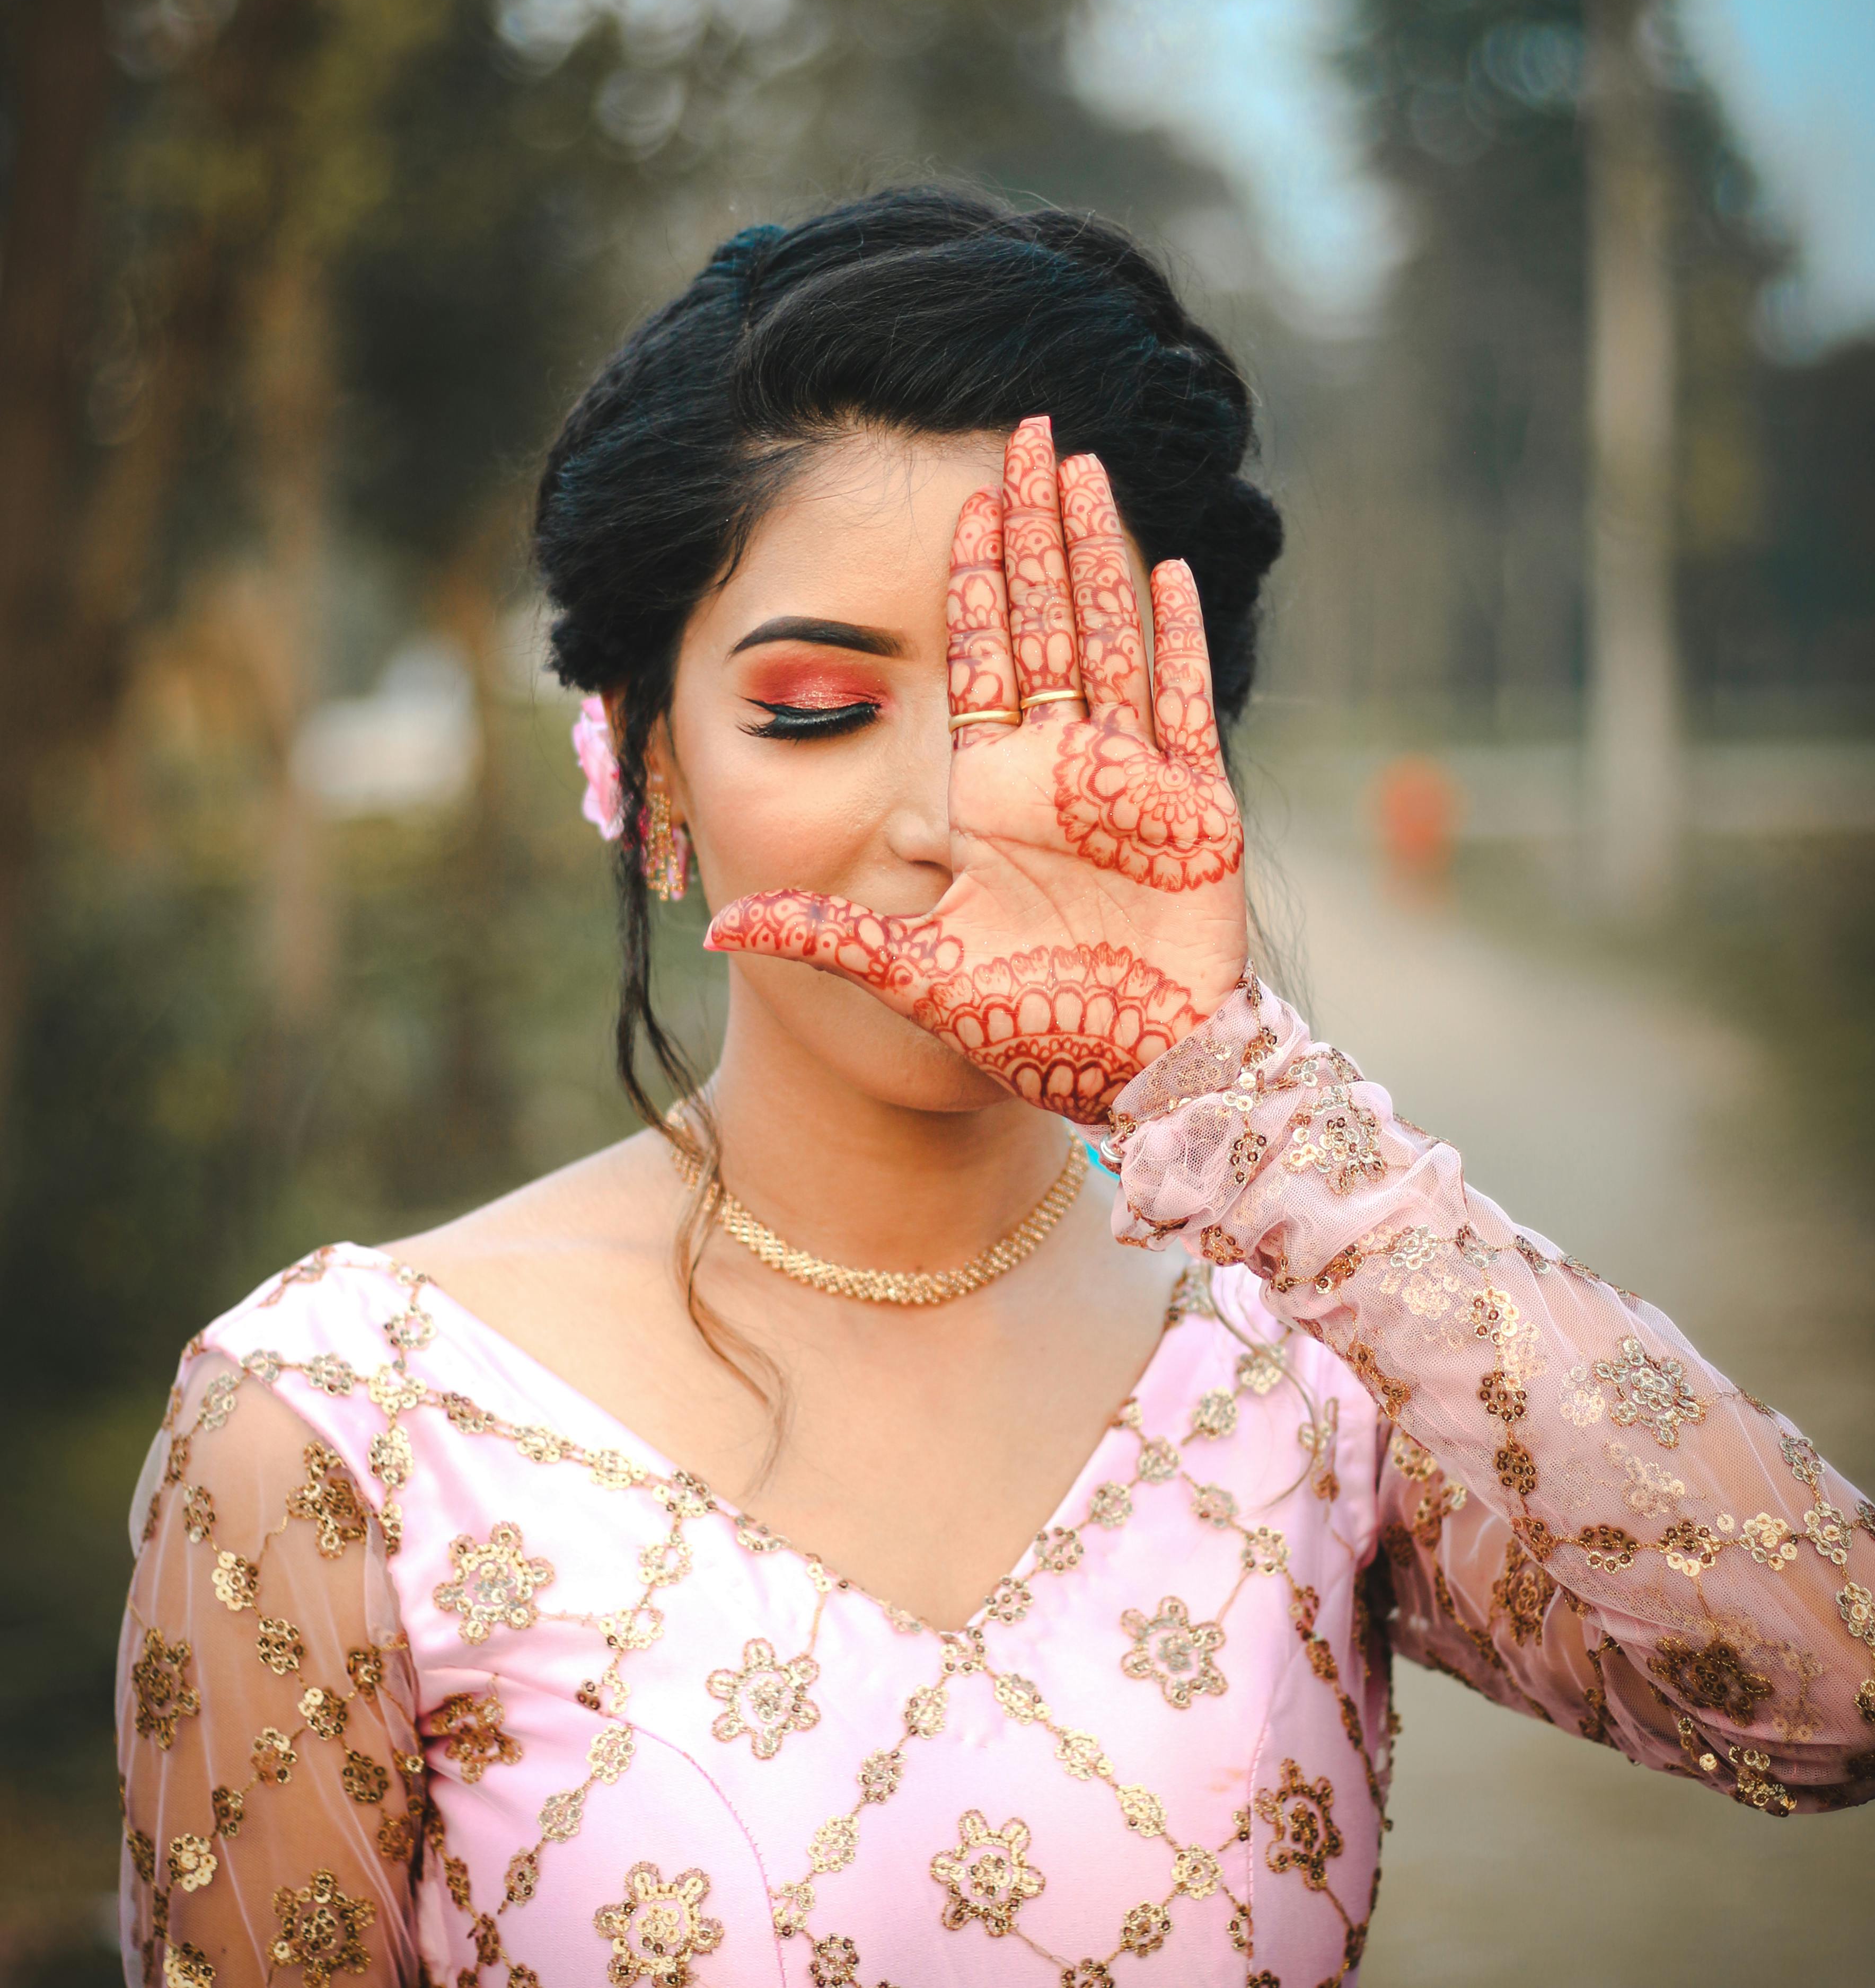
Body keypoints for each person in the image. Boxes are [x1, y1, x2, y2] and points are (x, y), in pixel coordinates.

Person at [117, 191, 1873, 1987]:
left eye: (1055, 712)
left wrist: (1231, 1089)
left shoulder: (1311, 1361)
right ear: (648, 768)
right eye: (817, 708)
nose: (957, 820)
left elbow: (1828, 1695)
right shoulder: (347, 1429)